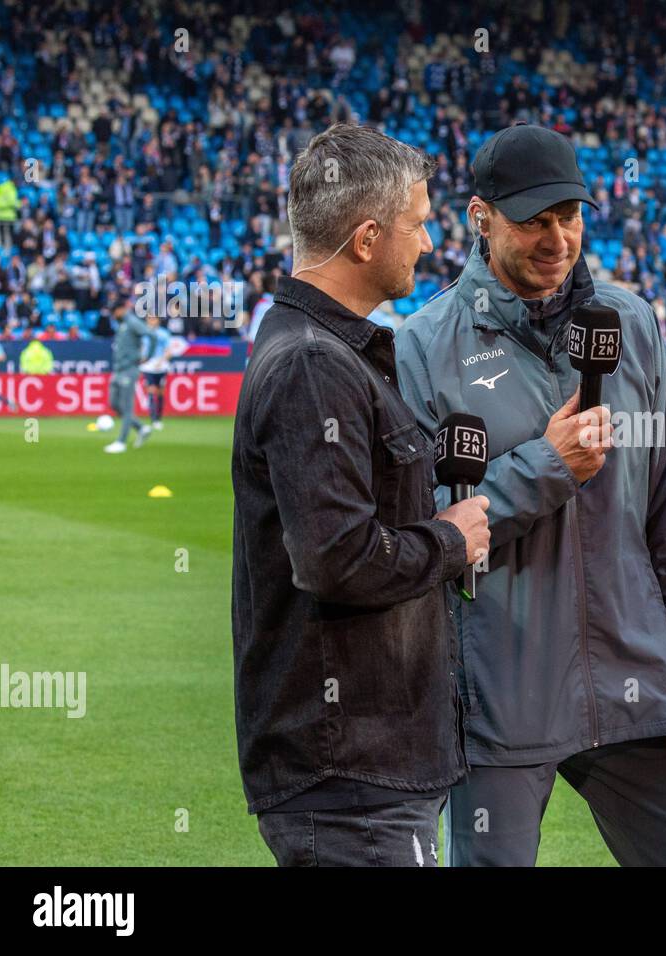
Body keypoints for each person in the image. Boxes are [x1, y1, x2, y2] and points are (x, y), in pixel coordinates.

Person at [396, 124, 666, 867]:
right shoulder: (422, 348)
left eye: (569, 216)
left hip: (636, 687)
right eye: (534, 220)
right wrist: (547, 465)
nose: (557, 239)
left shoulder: (632, 324)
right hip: (500, 699)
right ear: (479, 217)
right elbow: (424, 534)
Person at [231, 123, 490, 867]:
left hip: (363, 766)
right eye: (418, 221)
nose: (431, 237)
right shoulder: (315, 364)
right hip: (349, 772)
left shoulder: (319, 349)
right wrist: (450, 538)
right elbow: (337, 557)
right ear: (368, 238)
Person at [104, 305, 152, 453]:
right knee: (113, 403)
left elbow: (152, 335)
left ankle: (121, 442)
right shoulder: (122, 325)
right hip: (118, 370)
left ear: (121, 309)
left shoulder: (132, 322)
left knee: (126, 407)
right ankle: (141, 427)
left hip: (129, 370)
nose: (113, 315)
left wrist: (147, 356)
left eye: (114, 312)